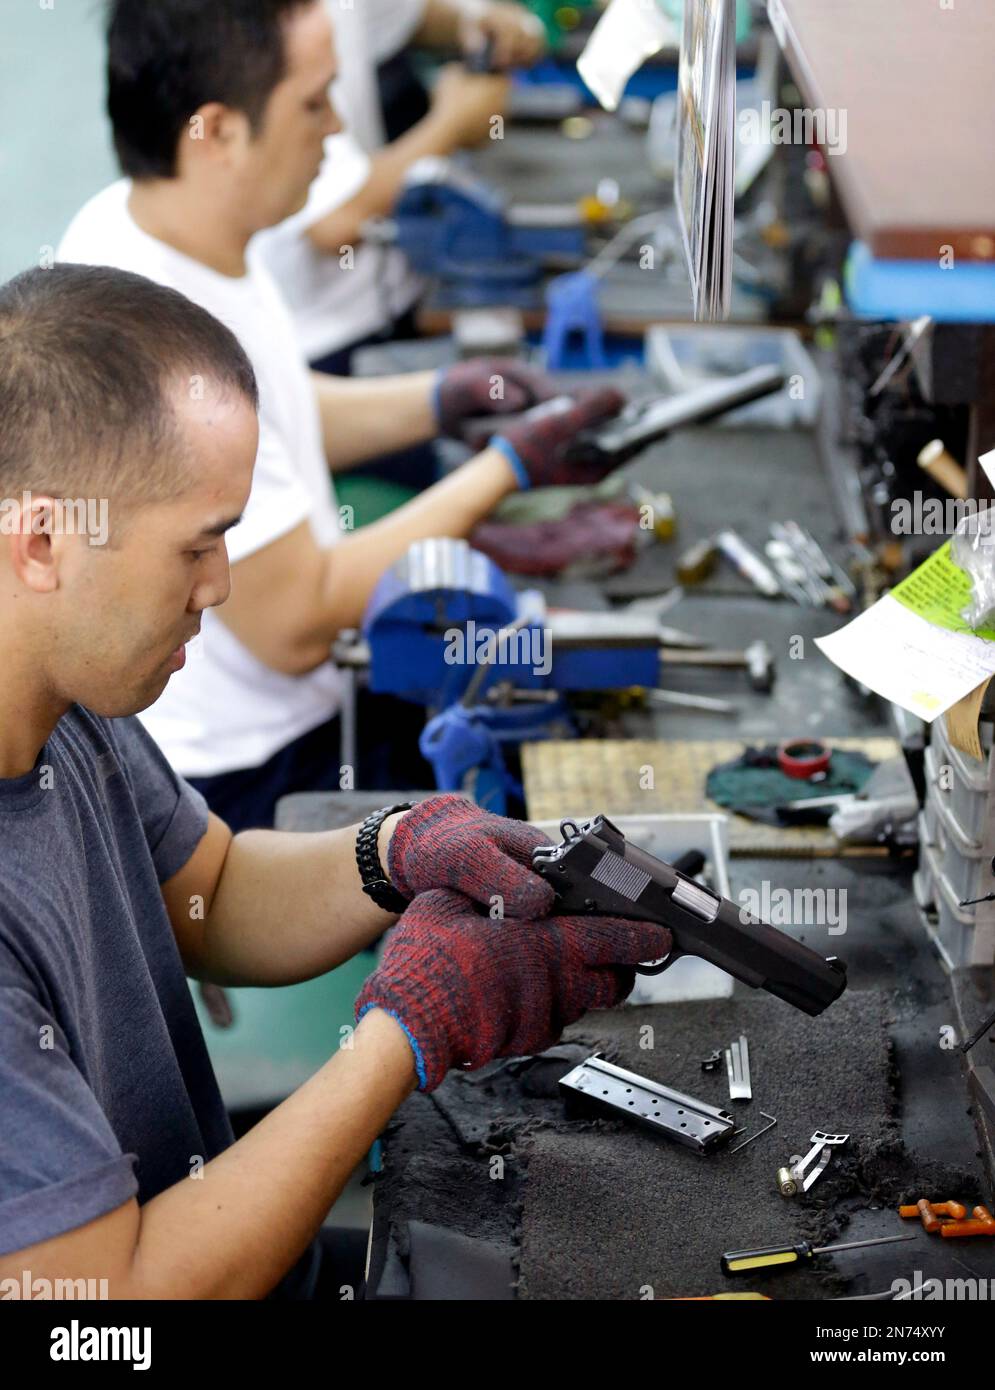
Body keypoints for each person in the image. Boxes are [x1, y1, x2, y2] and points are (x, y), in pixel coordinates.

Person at [0, 263, 671, 1298]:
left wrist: (394, 849)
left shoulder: (64, 694)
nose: (221, 585)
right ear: (44, 540)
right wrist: (404, 1029)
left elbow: (210, 892)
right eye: (198, 544)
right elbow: (113, 1307)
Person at [58, 0, 625, 831]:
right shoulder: (156, 333)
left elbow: (278, 418)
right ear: (215, 130)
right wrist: (507, 470)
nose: (335, 129)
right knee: (566, 798)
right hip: (253, 773)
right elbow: (297, 620)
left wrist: (443, 399)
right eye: (314, 102)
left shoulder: (147, 229)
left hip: (298, 695)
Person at [255, 0, 547, 378]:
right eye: (315, 104)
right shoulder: (253, 22)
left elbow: (402, 15)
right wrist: (453, 123)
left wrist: (473, 19)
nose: (335, 125)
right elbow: (334, 217)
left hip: (388, 297)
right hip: (321, 340)